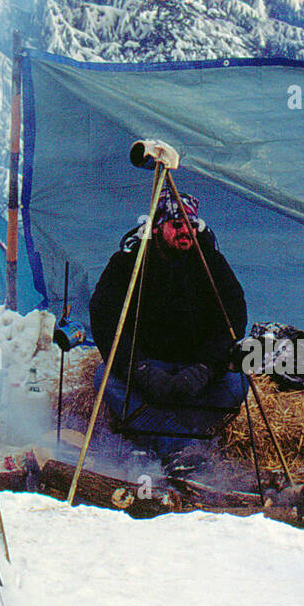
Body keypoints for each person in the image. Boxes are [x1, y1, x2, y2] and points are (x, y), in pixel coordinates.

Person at [88, 190, 248, 457]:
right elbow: (105, 319)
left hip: (196, 371)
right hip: (148, 367)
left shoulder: (212, 263)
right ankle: (184, 449)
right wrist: (139, 368)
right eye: (176, 224)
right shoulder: (129, 262)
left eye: (191, 225)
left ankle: (169, 439)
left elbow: (233, 318)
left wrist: (205, 369)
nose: (185, 231)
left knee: (237, 383)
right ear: (159, 225)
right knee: (104, 377)